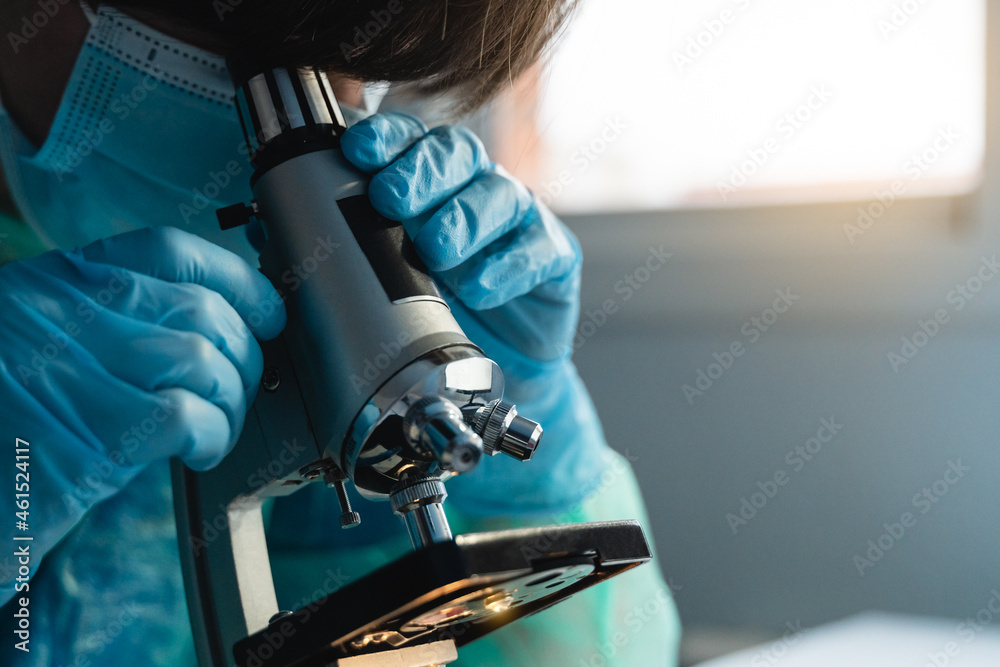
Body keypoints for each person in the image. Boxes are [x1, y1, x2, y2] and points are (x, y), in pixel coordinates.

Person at [0, 0, 681, 664]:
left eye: (365, 67)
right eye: (266, 45)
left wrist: (525, 493)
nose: (335, 111)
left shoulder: (282, 324)